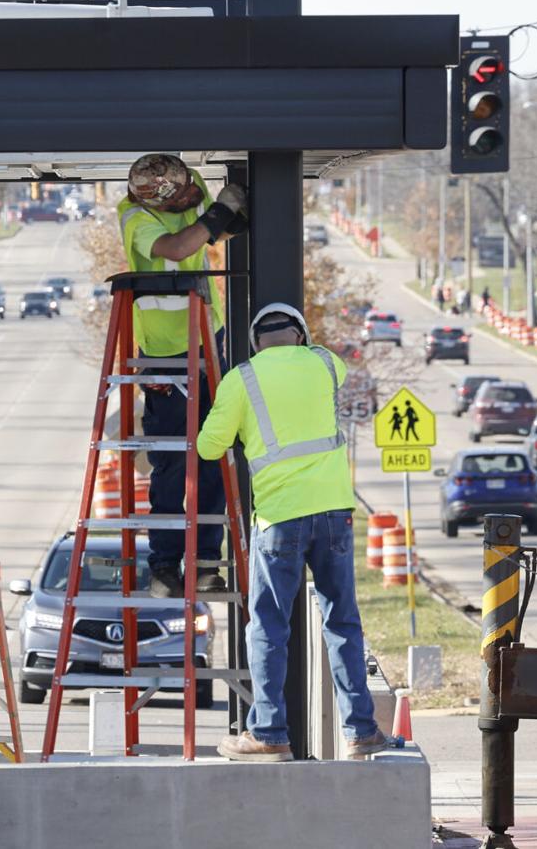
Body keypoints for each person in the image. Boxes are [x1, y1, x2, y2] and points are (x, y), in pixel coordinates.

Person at [197, 304, 388, 762]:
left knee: (268, 626)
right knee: (342, 620)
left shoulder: (240, 378)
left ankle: (269, 734)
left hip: (280, 517)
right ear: (299, 334)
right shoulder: (324, 363)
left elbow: (208, 447)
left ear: (254, 343)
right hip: (334, 510)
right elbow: (330, 366)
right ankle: (361, 732)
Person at [118, 153, 247, 598]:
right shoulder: (135, 215)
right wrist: (217, 215)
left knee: (212, 452)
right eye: (187, 196)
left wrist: (228, 215)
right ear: (160, 198)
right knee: (173, 464)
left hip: (207, 340)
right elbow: (177, 248)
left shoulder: (186, 193)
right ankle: (165, 567)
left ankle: (207, 564)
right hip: (164, 353)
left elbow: (213, 231)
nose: (194, 198)